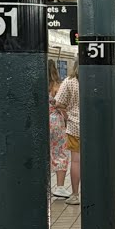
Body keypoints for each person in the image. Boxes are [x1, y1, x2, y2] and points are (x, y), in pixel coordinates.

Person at [54, 59, 81, 205]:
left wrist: (67, 114)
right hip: (96, 127)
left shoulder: (69, 82)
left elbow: (58, 102)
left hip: (75, 126)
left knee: (76, 161)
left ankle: (75, 194)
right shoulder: (97, 78)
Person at [48, 58, 70, 198]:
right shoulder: (57, 86)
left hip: (40, 122)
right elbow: (62, 106)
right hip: (56, 122)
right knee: (60, 153)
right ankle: (60, 187)